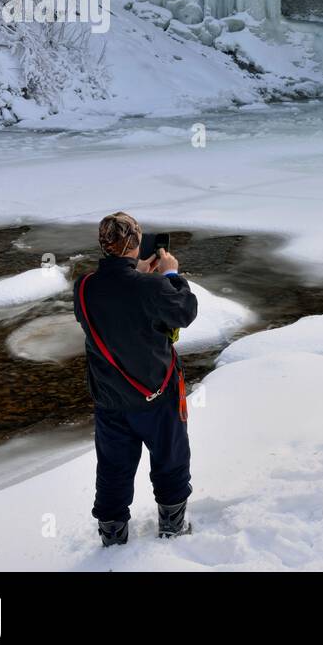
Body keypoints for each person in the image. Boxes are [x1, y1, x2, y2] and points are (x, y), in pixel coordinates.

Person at [73, 212, 199, 547]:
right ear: (134, 243)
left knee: (113, 467)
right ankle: (172, 527)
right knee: (170, 458)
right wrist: (170, 274)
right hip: (157, 395)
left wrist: (136, 272)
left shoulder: (83, 288)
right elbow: (184, 311)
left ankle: (112, 538)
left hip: (110, 400)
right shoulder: (153, 286)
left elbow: (116, 301)